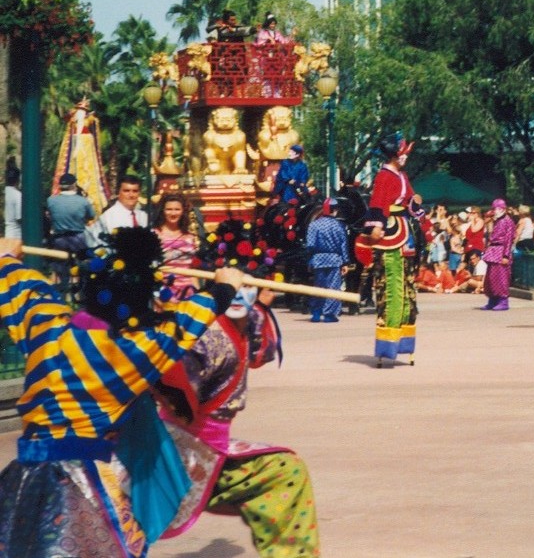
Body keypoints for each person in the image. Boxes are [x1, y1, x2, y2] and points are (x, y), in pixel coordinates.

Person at [0, 230, 244, 558]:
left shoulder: (45, 327)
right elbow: (189, 319)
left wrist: (6, 258)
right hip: (81, 483)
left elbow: (27, 289)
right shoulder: (136, 350)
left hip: (23, 478)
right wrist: (225, 285)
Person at [155, 277, 320, 557]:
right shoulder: (210, 336)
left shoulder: (243, 324)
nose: (238, 297)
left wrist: (262, 306)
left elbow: (259, 355)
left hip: (211, 450)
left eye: (247, 289)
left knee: (286, 471)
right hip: (180, 451)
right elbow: (173, 389)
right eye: (234, 288)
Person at [362, 132, 422, 367]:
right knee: (391, 288)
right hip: (390, 234)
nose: (406, 157)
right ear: (394, 155)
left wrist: (415, 204)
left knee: (407, 288)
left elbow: (409, 202)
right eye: (403, 153)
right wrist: (375, 227)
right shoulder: (384, 176)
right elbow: (377, 203)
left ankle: (404, 342)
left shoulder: (402, 175)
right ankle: (387, 345)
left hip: (405, 233)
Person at [46, 172, 96, 294]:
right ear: (74, 185)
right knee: (84, 264)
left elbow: (48, 215)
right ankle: (82, 291)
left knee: (60, 268)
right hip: (78, 238)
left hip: (59, 239)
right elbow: (91, 216)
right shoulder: (83, 202)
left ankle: (61, 290)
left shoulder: (51, 201)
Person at [306, 197, 350, 322]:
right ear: (334, 210)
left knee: (319, 286)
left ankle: (316, 312)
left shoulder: (314, 225)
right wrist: (345, 262)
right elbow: (343, 246)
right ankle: (329, 314)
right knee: (333, 287)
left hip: (318, 259)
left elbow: (310, 245)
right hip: (334, 259)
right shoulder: (339, 226)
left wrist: (310, 259)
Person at [153, 192, 199, 300]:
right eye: (169, 209)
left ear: (183, 211)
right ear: (162, 211)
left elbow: (193, 270)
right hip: (164, 294)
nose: (173, 213)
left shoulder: (190, 237)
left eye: (177, 209)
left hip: (188, 293)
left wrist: (197, 294)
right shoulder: (154, 235)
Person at [88, 174, 148, 246]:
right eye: (126, 191)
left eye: (135, 191)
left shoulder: (144, 216)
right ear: (118, 192)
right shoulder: (108, 217)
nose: (131, 195)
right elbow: (95, 243)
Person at [481, 198, 516, 311]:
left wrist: (505, 255)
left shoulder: (508, 221)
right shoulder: (496, 221)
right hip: (493, 251)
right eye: (494, 209)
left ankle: (503, 301)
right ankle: (492, 299)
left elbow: (509, 239)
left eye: (497, 208)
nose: (495, 211)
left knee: (501, 278)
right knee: (490, 278)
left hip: (501, 251)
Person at [4, 160, 21, 238]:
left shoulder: (5, 192)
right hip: (16, 234)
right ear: (18, 180)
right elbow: (19, 217)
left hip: (7, 231)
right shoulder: (17, 195)